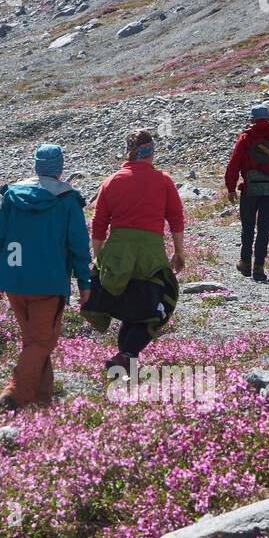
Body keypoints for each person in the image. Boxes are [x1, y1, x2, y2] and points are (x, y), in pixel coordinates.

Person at [0, 144, 91, 412]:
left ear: (36, 165)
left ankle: (42, 399)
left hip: (13, 280)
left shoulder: (12, 194)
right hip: (48, 282)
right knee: (41, 342)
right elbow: (79, 245)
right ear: (60, 167)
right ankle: (14, 394)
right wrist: (84, 283)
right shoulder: (68, 200)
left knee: (34, 340)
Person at [83, 129, 185, 375]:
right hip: (150, 253)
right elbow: (175, 218)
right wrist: (179, 252)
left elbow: (98, 224)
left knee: (130, 301)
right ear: (150, 152)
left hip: (117, 251)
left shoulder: (111, 181)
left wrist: (99, 258)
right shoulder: (163, 180)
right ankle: (127, 355)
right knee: (157, 303)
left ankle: (125, 359)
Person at [224, 104, 269, 283]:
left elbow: (233, 165)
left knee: (247, 227)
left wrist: (231, 188)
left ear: (252, 120)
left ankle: (244, 262)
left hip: (250, 189)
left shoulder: (245, 139)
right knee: (264, 228)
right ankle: (259, 267)